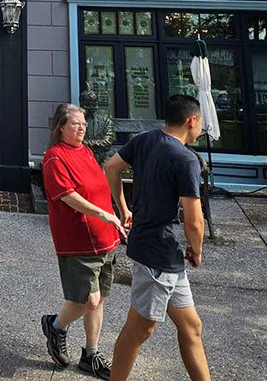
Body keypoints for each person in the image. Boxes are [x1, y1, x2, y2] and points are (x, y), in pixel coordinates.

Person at [104, 94, 211, 381]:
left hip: (162, 250)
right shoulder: (186, 159)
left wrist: (123, 207)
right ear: (192, 120)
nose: (201, 127)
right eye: (201, 121)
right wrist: (197, 250)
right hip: (158, 252)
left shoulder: (145, 140)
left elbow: (111, 166)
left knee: (191, 326)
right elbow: (194, 220)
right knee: (140, 329)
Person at [41, 102, 125, 379]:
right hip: (78, 242)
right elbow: (68, 196)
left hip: (106, 239)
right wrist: (104, 214)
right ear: (60, 127)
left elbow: (100, 186)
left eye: (84, 124)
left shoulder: (86, 151)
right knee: (88, 300)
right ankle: (56, 325)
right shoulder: (54, 158)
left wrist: (120, 212)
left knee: (99, 300)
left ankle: (91, 354)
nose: (82, 127)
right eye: (75, 123)